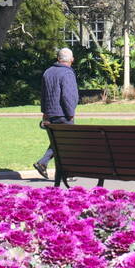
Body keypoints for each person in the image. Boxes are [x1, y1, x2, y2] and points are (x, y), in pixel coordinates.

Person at [33, 48, 78, 180]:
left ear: (58, 58)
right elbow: (68, 96)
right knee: (66, 143)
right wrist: (70, 113)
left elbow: (44, 95)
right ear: (72, 60)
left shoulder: (48, 72)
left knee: (57, 142)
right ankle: (67, 173)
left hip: (50, 114)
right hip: (63, 114)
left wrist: (45, 113)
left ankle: (43, 163)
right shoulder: (67, 73)